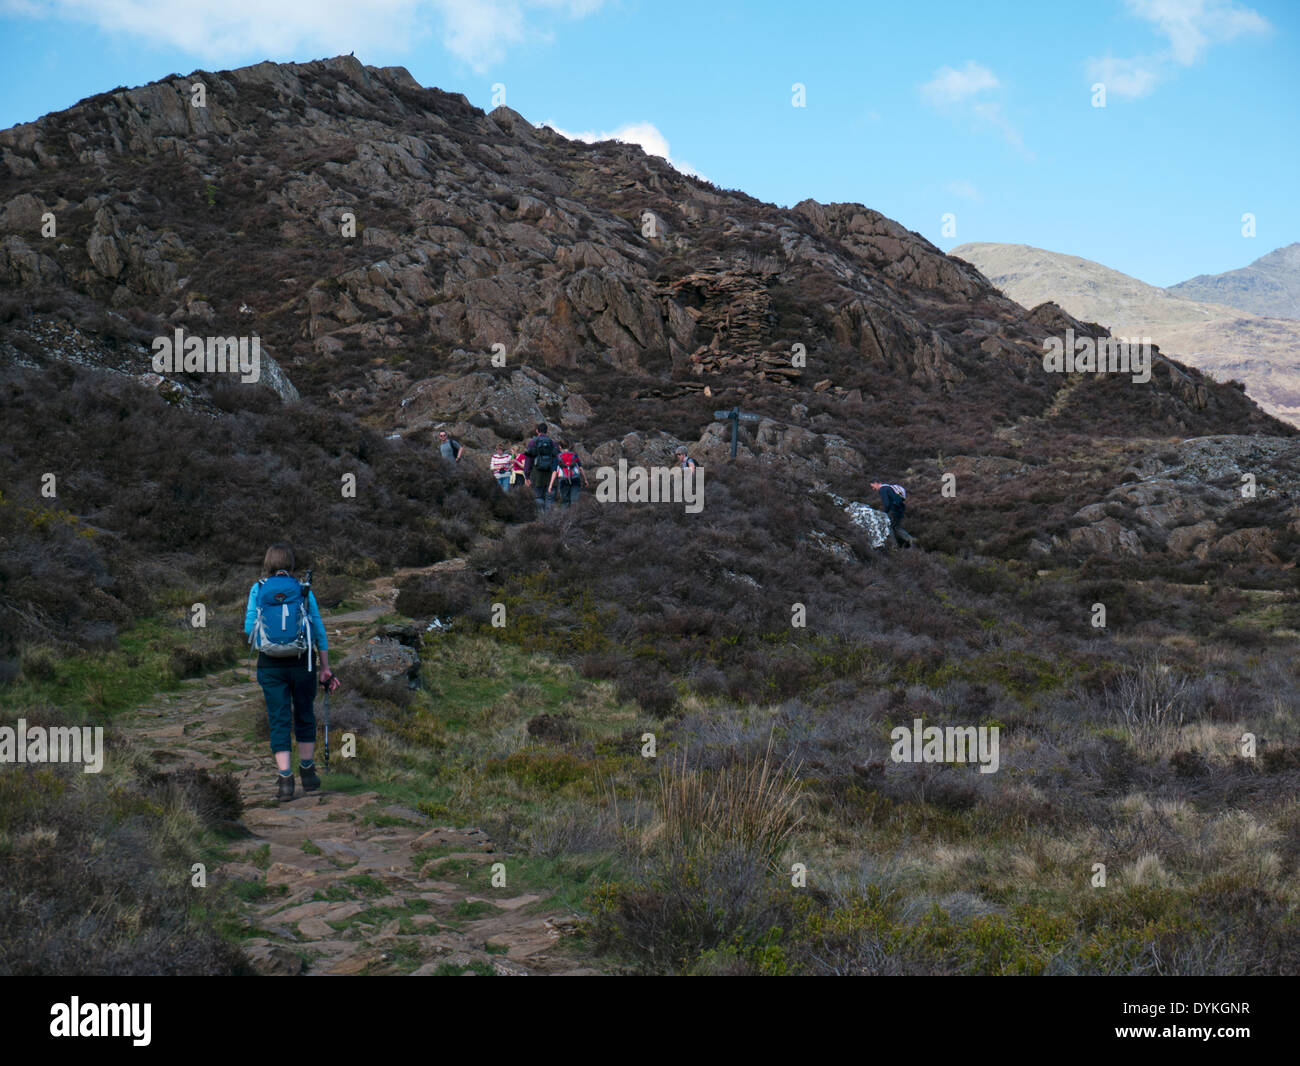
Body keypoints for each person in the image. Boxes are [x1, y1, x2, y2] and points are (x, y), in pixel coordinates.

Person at [244, 543, 339, 800]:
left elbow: (248, 627)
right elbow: (318, 629)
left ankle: (285, 780)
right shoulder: (303, 590)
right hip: (303, 662)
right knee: (305, 714)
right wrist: (326, 668)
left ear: (268, 563)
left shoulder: (259, 588)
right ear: (291, 564)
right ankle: (307, 772)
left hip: (270, 665)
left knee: (279, 719)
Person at [524, 422, 558, 512]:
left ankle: (541, 521)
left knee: (538, 498)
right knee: (550, 499)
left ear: (537, 431)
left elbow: (528, 461)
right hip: (551, 476)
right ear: (547, 431)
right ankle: (550, 521)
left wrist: (526, 476)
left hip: (536, 476)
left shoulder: (532, 443)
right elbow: (557, 460)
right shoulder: (553, 443)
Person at [871, 481, 914, 548]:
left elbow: (886, 503)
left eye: (872, 486)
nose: (873, 489)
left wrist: (884, 513)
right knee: (896, 527)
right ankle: (912, 541)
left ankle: (894, 547)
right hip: (899, 510)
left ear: (876, 483)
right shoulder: (889, 488)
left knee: (889, 527)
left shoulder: (883, 489)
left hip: (893, 510)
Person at [549, 440, 589, 507]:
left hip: (563, 480)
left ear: (560, 447)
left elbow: (555, 472)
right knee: (575, 501)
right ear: (569, 446)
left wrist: (550, 485)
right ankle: (575, 515)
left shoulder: (558, 457)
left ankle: (566, 516)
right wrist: (585, 479)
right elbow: (580, 468)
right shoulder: (574, 455)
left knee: (565, 502)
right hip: (575, 479)